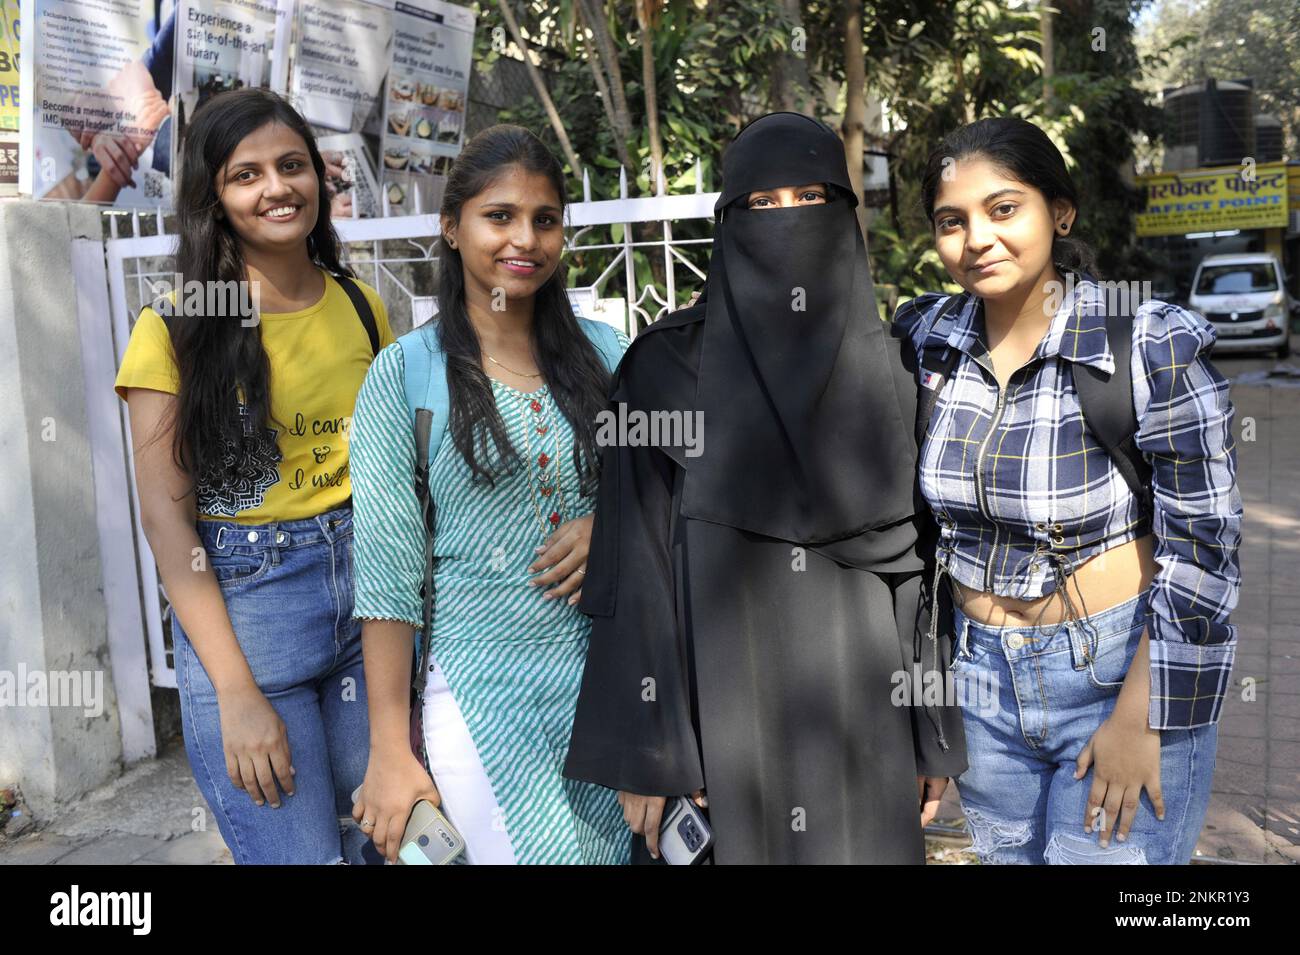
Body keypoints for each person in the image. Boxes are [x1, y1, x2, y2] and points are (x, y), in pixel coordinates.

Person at [562, 112, 967, 865]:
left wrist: (930, 730)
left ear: (845, 217)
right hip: (721, 722)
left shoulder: (898, 374)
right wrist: (655, 751)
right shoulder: (663, 372)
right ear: (728, 223)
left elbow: (921, 579)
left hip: (867, 723)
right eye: (761, 206)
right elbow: (637, 570)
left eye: (810, 199)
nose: (788, 223)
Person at [893, 116, 1241, 864]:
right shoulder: (926, 340)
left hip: (1115, 676)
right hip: (980, 684)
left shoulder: (1148, 342)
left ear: (1061, 210)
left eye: (1003, 208)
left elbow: (1206, 553)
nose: (976, 238)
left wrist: (1142, 716)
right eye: (951, 221)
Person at [114, 88, 396, 864]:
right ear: (215, 197)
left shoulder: (362, 306)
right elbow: (170, 531)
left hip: (370, 601)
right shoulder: (171, 329)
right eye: (248, 174)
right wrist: (236, 695)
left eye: (292, 164)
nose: (277, 187)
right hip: (250, 609)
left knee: (395, 843)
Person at [348, 124, 632, 865]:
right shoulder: (403, 374)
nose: (525, 239)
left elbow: (666, 497)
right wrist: (389, 749)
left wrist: (612, 524)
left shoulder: (608, 355)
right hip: (475, 685)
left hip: (602, 673)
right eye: (499, 216)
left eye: (544, 219)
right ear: (451, 227)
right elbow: (386, 574)